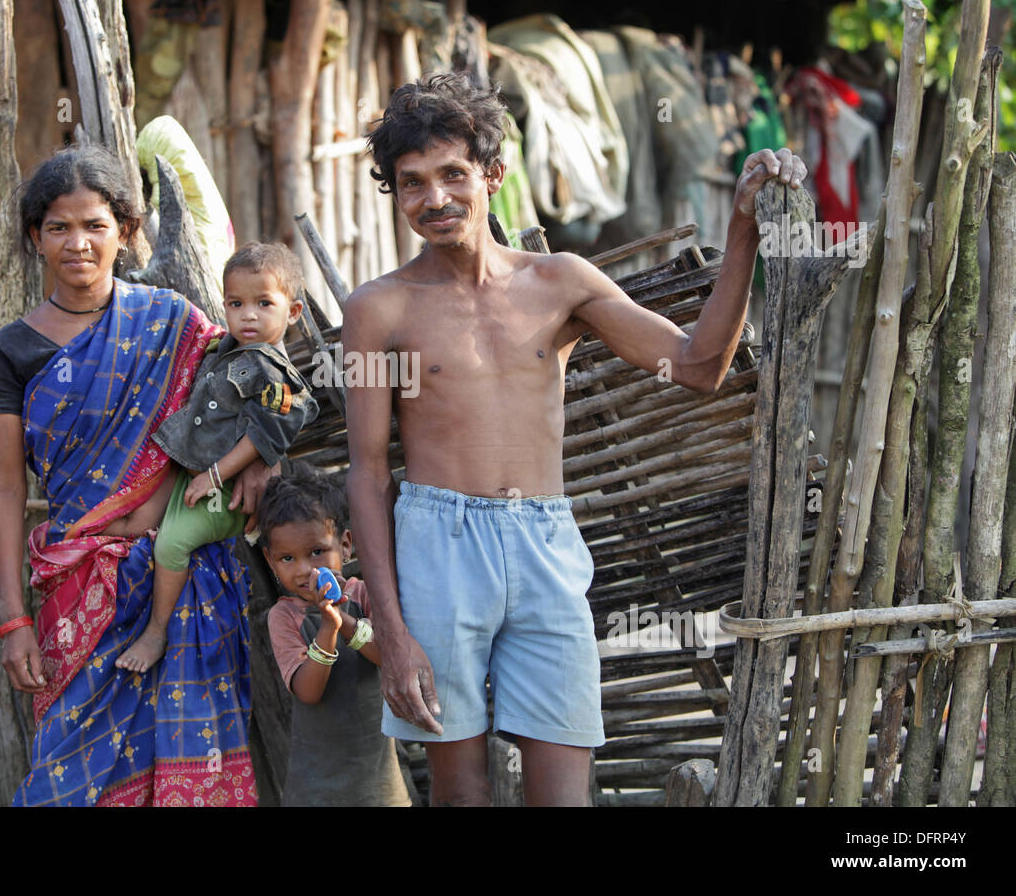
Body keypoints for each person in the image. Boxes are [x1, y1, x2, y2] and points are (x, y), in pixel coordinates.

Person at [343, 71, 807, 806]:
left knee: (564, 794)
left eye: (453, 175)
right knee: (460, 794)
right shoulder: (378, 311)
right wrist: (392, 632)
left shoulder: (560, 283)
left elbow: (696, 367)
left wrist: (742, 231)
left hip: (543, 544)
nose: (434, 199)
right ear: (394, 192)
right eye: (411, 183)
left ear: (492, 175)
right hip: (437, 544)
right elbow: (367, 474)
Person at [0, 144, 278, 806]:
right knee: (66, 778)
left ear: (126, 232)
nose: (77, 243)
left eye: (95, 225)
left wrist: (264, 460)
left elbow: (259, 386)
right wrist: (11, 620)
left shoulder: (171, 324)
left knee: (184, 764)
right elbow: (3, 487)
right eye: (58, 227)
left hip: (184, 578)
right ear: (36, 237)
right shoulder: (13, 349)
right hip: (78, 585)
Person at [113, 242, 320, 673]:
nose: (249, 314)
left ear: (294, 312)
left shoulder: (274, 371)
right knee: (128, 522)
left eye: (265, 303)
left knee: (172, 544)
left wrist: (213, 474)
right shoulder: (226, 350)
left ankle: (157, 631)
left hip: (223, 491)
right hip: (188, 473)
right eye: (236, 303)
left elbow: (273, 427)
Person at [259, 464, 412, 806]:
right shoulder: (283, 617)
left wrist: (341, 620)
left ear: (345, 545)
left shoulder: (363, 596)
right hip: (316, 787)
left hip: (377, 778)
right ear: (270, 561)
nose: (304, 569)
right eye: (287, 558)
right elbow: (308, 691)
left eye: (316, 551)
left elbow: (388, 656)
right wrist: (328, 629)